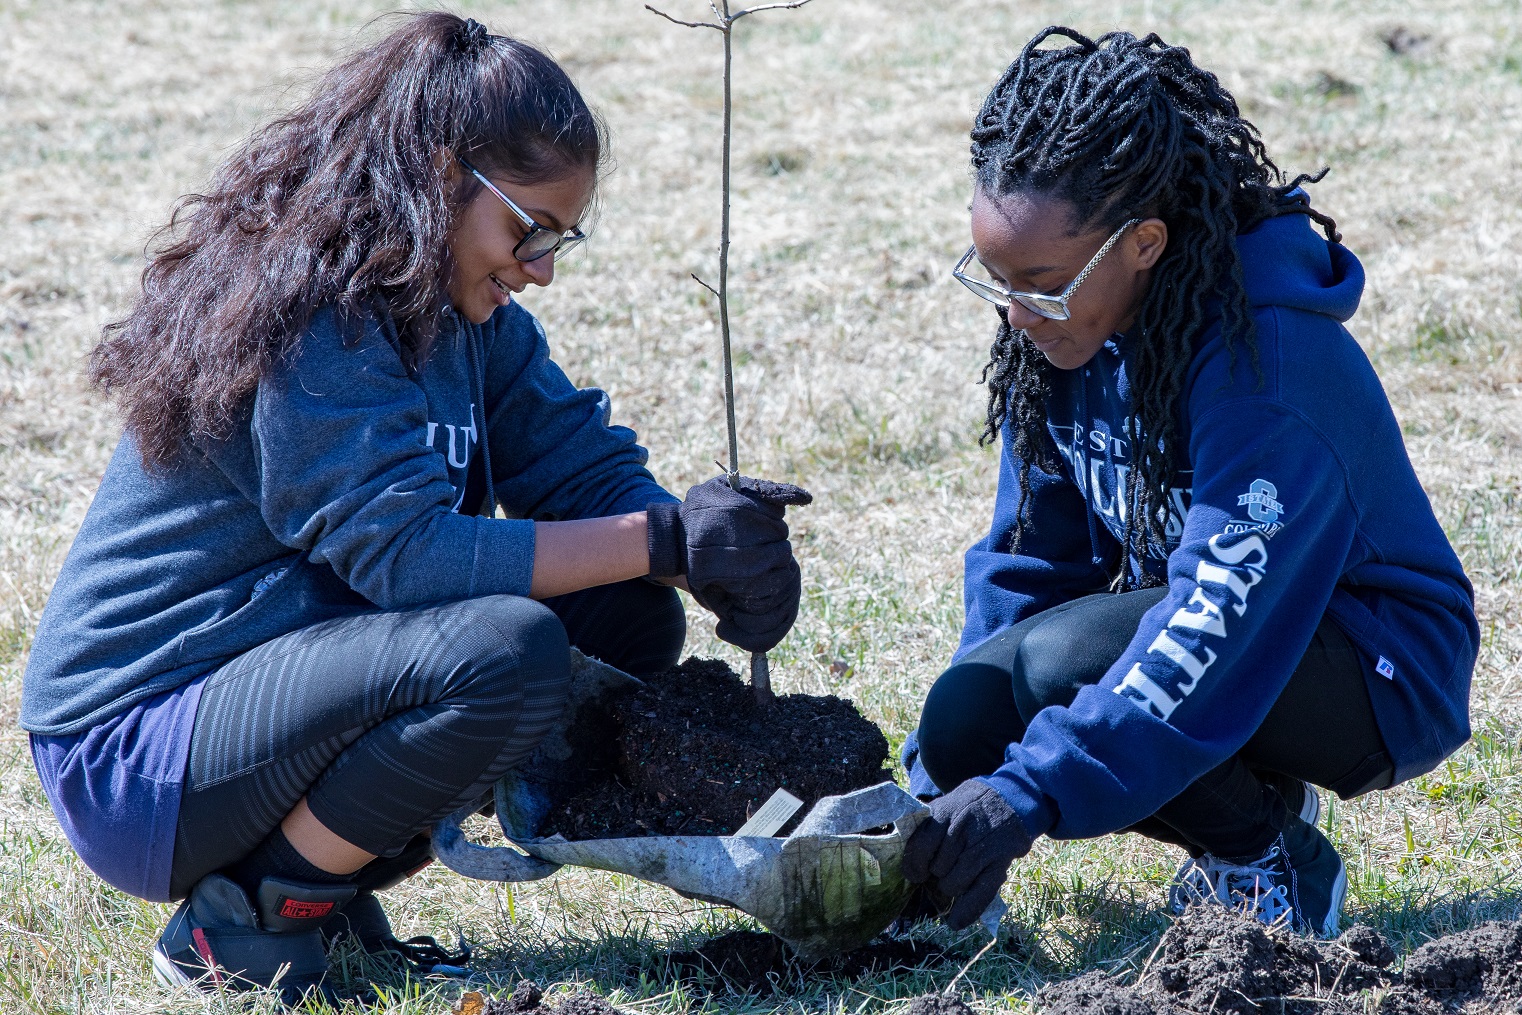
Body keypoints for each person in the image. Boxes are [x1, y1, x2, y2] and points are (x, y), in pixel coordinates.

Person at [19, 13, 807, 1002]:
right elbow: (410, 561)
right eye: (530, 230)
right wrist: (660, 537)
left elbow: (583, 475)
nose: (542, 267)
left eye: (564, 238)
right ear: (442, 179)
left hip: (267, 699)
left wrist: (695, 549)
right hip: (139, 757)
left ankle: (327, 880)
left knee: (628, 613)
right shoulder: (311, 316)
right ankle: (253, 915)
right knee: (501, 652)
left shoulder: (466, 319)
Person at [899, 27, 1477, 939]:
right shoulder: (1061, 332)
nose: (1016, 313)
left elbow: (1217, 615)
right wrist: (940, 786)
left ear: (1144, 243)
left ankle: (1268, 856)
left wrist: (1027, 792)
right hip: (1216, 617)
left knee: (1059, 673)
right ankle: (1244, 790)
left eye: (1041, 284)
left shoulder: (1273, 365)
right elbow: (1031, 563)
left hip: (1373, 664)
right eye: (998, 281)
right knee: (972, 705)